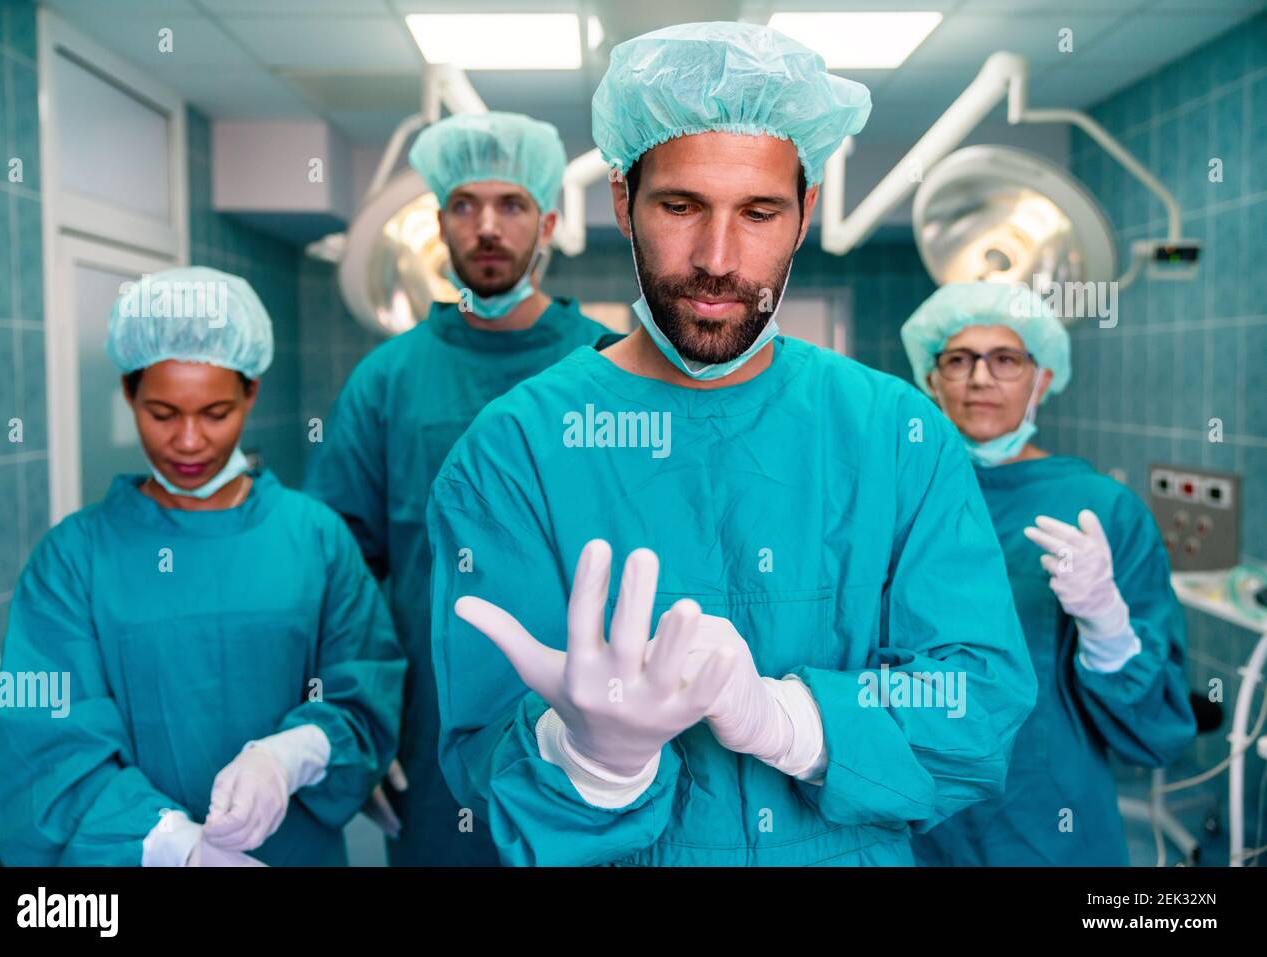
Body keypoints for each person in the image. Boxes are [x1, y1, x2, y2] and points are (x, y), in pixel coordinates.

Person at [426, 22, 1037, 867]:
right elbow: (482, 755)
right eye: (681, 206)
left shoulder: (894, 433)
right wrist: (595, 761)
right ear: (620, 202)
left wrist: (793, 721)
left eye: (758, 212)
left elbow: (980, 698)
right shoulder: (515, 452)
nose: (717, 260)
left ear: (805, 212)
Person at [0, 267, 406, 866]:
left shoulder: (315, 539)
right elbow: (46, 747)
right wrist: (172, 847)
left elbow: (364, 693)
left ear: (251, 394)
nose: (188, 441)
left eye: (215, 413)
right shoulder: (73, 560)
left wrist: (294, 754)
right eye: (162, 413)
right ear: (129, 394)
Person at [304, 112, 609, 866]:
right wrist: (356, 730)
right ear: (438, 221)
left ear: (548, 222)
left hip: (591, 722)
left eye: (510, 206)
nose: (487, 227)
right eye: (465, 206)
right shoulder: (389, 379)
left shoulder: (609, 369)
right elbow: (339, 578)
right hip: (429, 724)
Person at [900, 281, 1196, 865]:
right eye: (958, 359)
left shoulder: (1102, 509)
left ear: (1043, 379)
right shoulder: (900, 496)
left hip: (1047, 822)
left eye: (1006, 359)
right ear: (931, 379)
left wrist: (1108, 630)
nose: (980, 378)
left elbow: (1161, 728)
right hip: (913, 813)